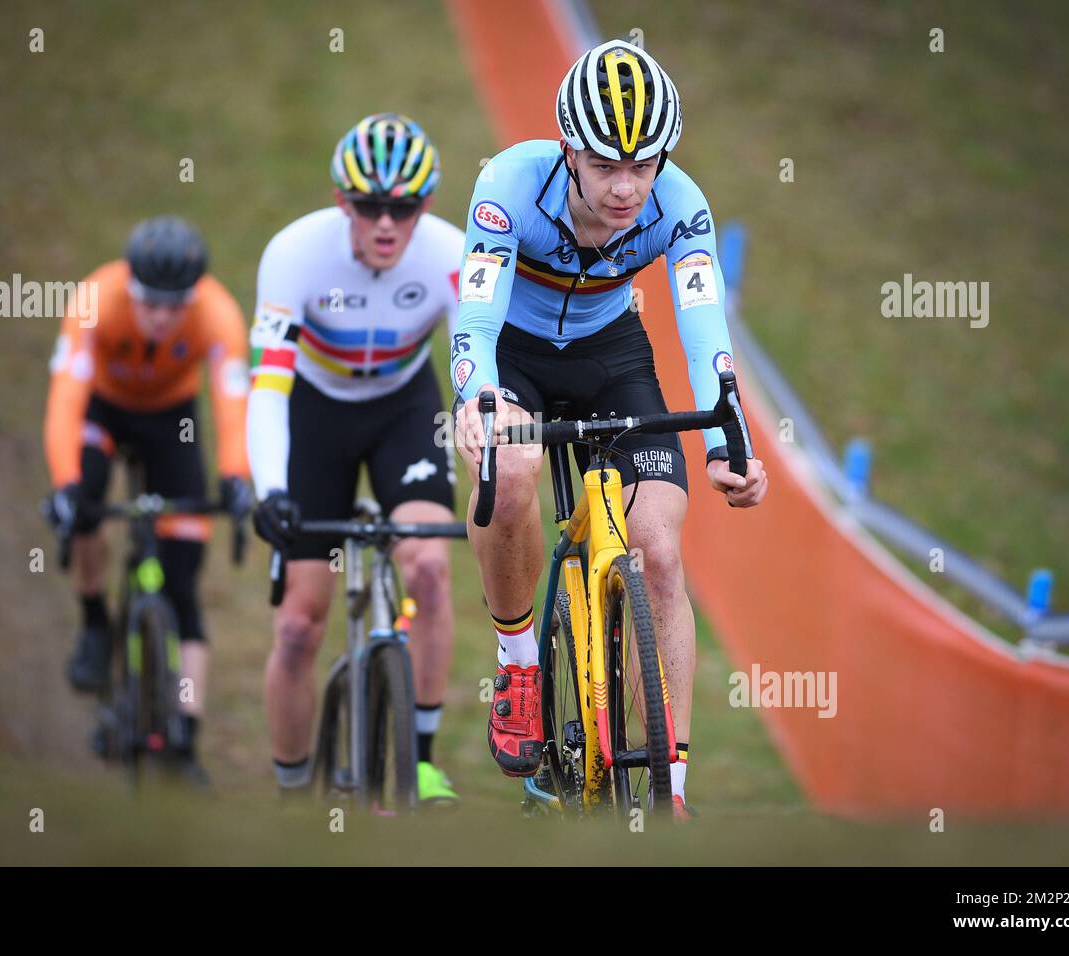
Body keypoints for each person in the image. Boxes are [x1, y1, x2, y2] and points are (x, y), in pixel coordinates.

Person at [450, 41, 769, 819]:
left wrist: (730, 444)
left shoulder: (682, 205)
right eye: (604, 167)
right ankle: (519, 667)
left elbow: (704, 332)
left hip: (611, 354)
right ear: (568, 151)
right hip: (514, 355)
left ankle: (671, 790)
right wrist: (479, 398)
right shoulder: (507, 188)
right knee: (515, 472)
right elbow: (476, 318)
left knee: (659, 548)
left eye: (644, 165)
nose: (627, 188)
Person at [247, 114, 466, 805]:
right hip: (315, 414)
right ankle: (291, 795)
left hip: (404, 409)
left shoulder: (452, 253)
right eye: (368, 205)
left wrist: (489, 456)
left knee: (428, 567)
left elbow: (474, 377)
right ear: (342, 201)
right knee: (296, 626)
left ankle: (423, 760)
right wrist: (271, 488)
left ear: (424, 206)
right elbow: (269, 387)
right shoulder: (294, 254)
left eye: (401, 208)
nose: (384, 223)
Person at [43, 216, 253, 782]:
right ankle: (93, 620)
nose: (161, 317)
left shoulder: (219, 314)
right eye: (149, 303)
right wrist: (64, 484)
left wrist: (236, 475)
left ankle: (185, 734)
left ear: (195, 296)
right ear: (129, 287)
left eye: (174, 305)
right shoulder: (94, 300)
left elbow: (233, 403)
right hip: (102, 411)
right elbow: (66, 397)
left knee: (182, 584)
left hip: (170, 419)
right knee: (86, 498)